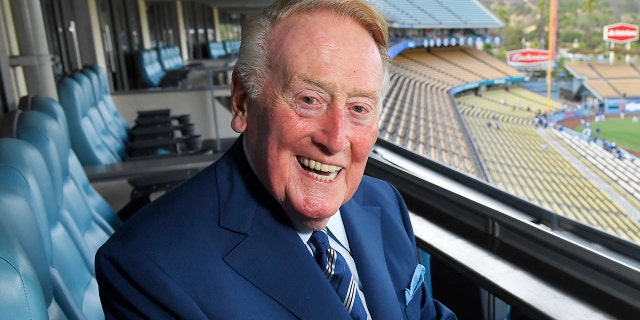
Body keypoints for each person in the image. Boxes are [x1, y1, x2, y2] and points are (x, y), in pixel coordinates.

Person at [95, 0, 456, 319]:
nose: (335, 139)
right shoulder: (148, 266)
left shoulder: (385, 203)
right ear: (242, 101)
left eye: (358, 108)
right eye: (309, 100)